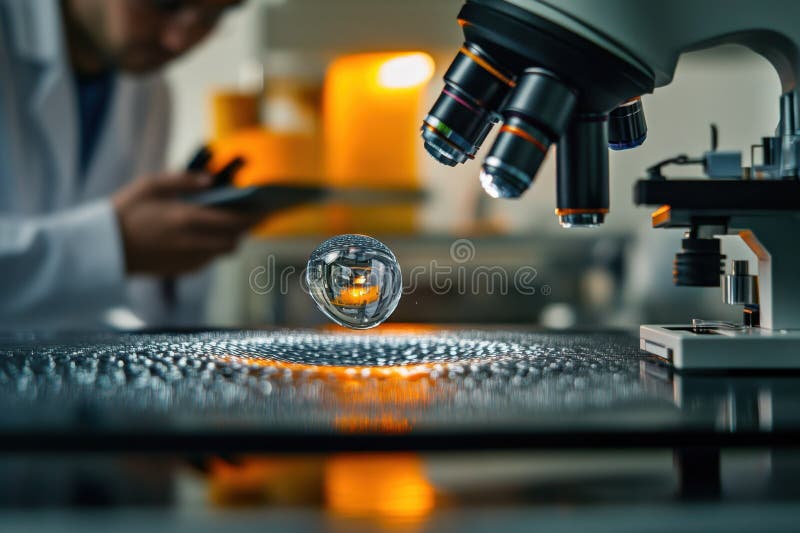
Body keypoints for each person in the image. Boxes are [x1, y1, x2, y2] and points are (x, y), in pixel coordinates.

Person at [0, 0, 256, 329]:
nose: (176, 42)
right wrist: (113, 243)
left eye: (213, 16)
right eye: (164, 4)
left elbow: (116, 308)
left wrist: (174, 247)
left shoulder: (148, 89)